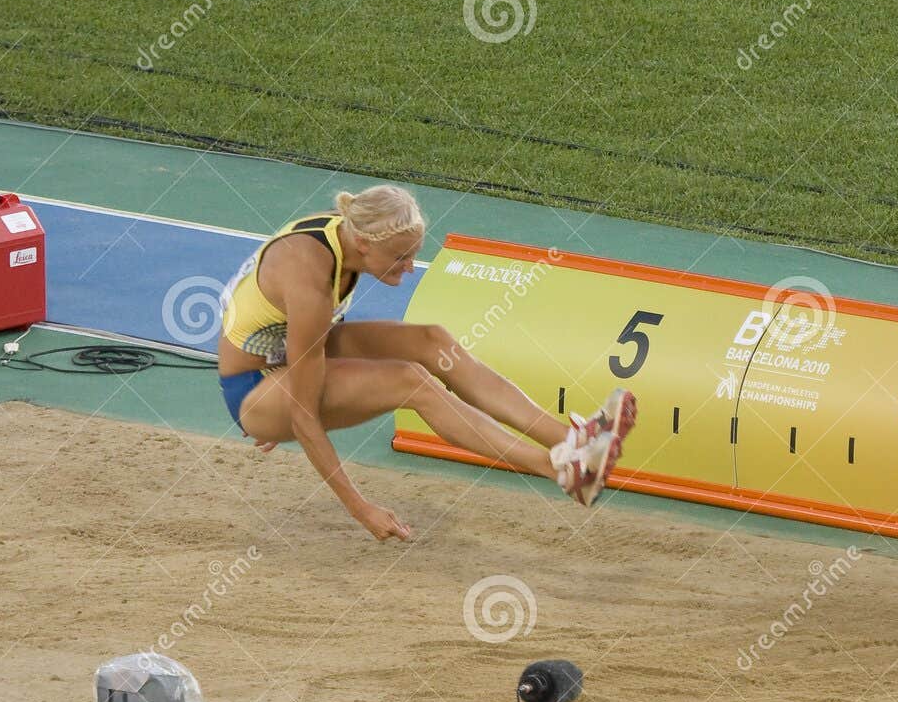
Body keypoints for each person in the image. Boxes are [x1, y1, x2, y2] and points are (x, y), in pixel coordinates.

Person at [216, 184, 634, 541]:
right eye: (400, 258)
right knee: (410, 381)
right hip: (253, 389)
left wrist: (295, 382)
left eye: (413, 254)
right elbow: (305, 417)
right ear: (364, 244)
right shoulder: (309, 284)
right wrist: (361, 509)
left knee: (431, 340)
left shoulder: (349, 228)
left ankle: (570, 441)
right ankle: (561, 471)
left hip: (291, 354)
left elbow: (296, 339)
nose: (410, 267)